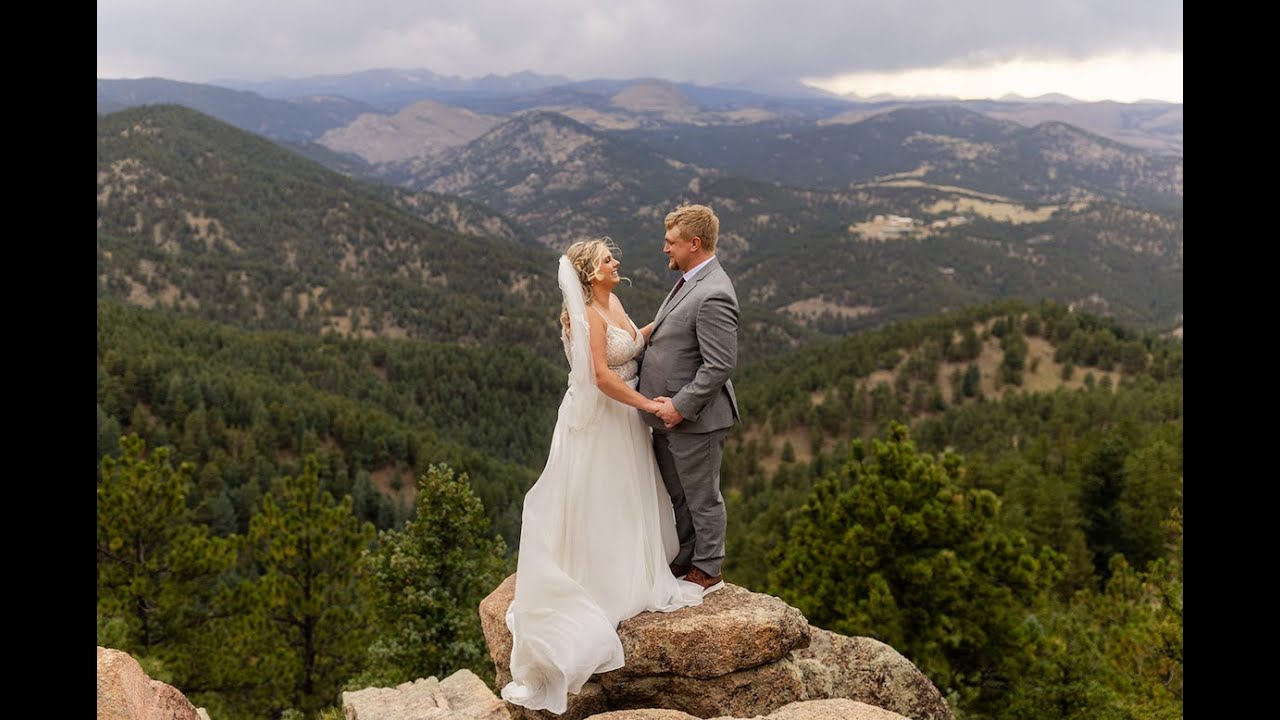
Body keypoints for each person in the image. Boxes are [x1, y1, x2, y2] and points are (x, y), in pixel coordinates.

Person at [501, 238, 704, 715]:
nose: (617, 262)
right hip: (607, 417)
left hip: (625, 419)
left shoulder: (613, 300)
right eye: (609, 259)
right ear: (591, 273)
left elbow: (632, 342)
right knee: (603, 498)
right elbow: (601, 375)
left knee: (627, 494)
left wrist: (669, 320)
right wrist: (649, 404)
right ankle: (604, 577)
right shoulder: (587, 315)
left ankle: (633, 561)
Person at [637, 204, 741, 596]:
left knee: (702, 497)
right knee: (678, 494)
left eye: (671, 242)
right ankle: (686, 557)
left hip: (695, 420)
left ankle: (708, 568)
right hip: (664, 417)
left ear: (694, 244)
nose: (665, 249)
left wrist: (679, 407)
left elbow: (719, 366)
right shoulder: (689, 280)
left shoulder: (714, 293)